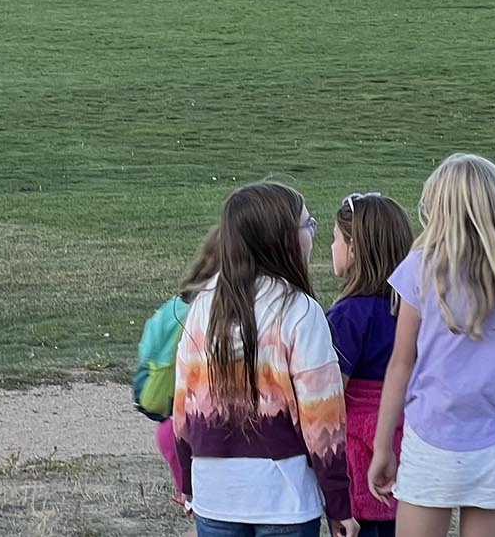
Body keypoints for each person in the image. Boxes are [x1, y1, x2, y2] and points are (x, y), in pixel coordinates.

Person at [368, 154, 495, 537]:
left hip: (429, 444)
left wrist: (382, 447)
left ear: (440, 209)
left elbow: (400, 364)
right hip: (493, 450)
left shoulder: (420, 268)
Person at [172, 182, 357, 537]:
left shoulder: (202, 309)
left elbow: (182, 407)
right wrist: (339, 505)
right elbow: (323, 424)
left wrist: (187, 481)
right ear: (282, 239)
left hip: (215, 492)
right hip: (283, 500)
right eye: (308, 225)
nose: (313, 233)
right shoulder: (301, 312)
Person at [325, 192, 414, 537]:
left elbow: (331, 396)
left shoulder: (347, 316)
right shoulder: (413, 311)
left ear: (354, 247)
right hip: (406, 447)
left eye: (335, 239)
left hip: (359, 459)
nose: (331, 248)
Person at [134, 227, 218, 520]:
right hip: (203, 433)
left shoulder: (170, 310)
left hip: (169, 428)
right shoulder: (214, 314)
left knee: (206, 519)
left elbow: (145, 356)